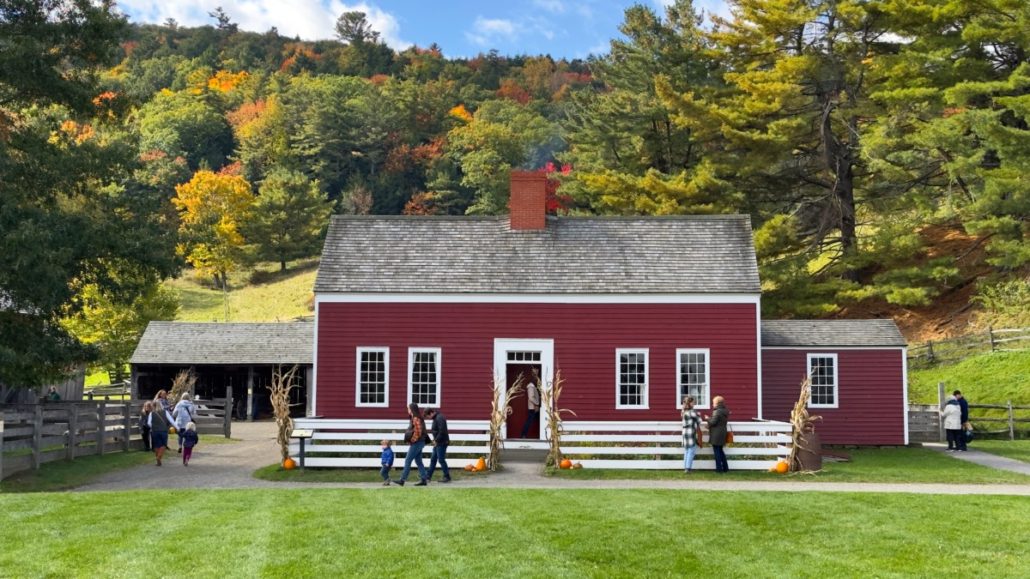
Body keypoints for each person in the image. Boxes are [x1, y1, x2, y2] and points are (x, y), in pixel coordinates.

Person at [393, 403, 430, 486]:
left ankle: (402, 480)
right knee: (418, 461)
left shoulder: (416, 418)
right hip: (419, 442)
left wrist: (412, 441)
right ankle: (424, 479)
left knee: (408, 460)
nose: (408, 410)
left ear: (412, 409)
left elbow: (418, 432)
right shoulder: (414, 418)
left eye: (408, 408)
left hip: (417, 442)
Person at [147, 396, 176, 466]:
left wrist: (153, 427)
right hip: (163, 431)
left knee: (157, 445)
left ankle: (158, 461)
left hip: (155, 431)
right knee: (163, 445)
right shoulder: (165, 412)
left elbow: (149, 423)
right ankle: (158, 457)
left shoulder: (152, 413)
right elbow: (171, 421)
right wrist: (177, 427)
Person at [425, 408, 451, 483]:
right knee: (433, 459)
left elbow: (442, 431)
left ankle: (447, 476)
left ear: (431, 413)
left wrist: (436, 440)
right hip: (438, 442)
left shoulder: (439, 418)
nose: (428, 418)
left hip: (442, 442)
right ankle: (428, 476)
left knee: (441, 460)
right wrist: (435, 440)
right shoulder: (437, 418)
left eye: (428, 416)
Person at [706, 395, 731, 473]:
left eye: (713, 403)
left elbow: (713, 422)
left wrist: (707, 418)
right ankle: (725, 468)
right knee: (720, 451)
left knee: (717, 451)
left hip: (716, 434)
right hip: (722, 432)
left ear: (717, 403)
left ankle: (719, 469)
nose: (712, 404)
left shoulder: (717, 411)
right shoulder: (725, 410)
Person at [681, 396, 702, 473]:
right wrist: (699, 414)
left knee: (686, 450)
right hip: (691, 432)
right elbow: (700, 420)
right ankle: (688, 468)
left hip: (685, 432)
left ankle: (685, 467)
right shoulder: (692, 412)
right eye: (692, 402)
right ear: (689, 403)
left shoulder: (683, 411)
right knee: (691, 451)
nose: (694, 403)